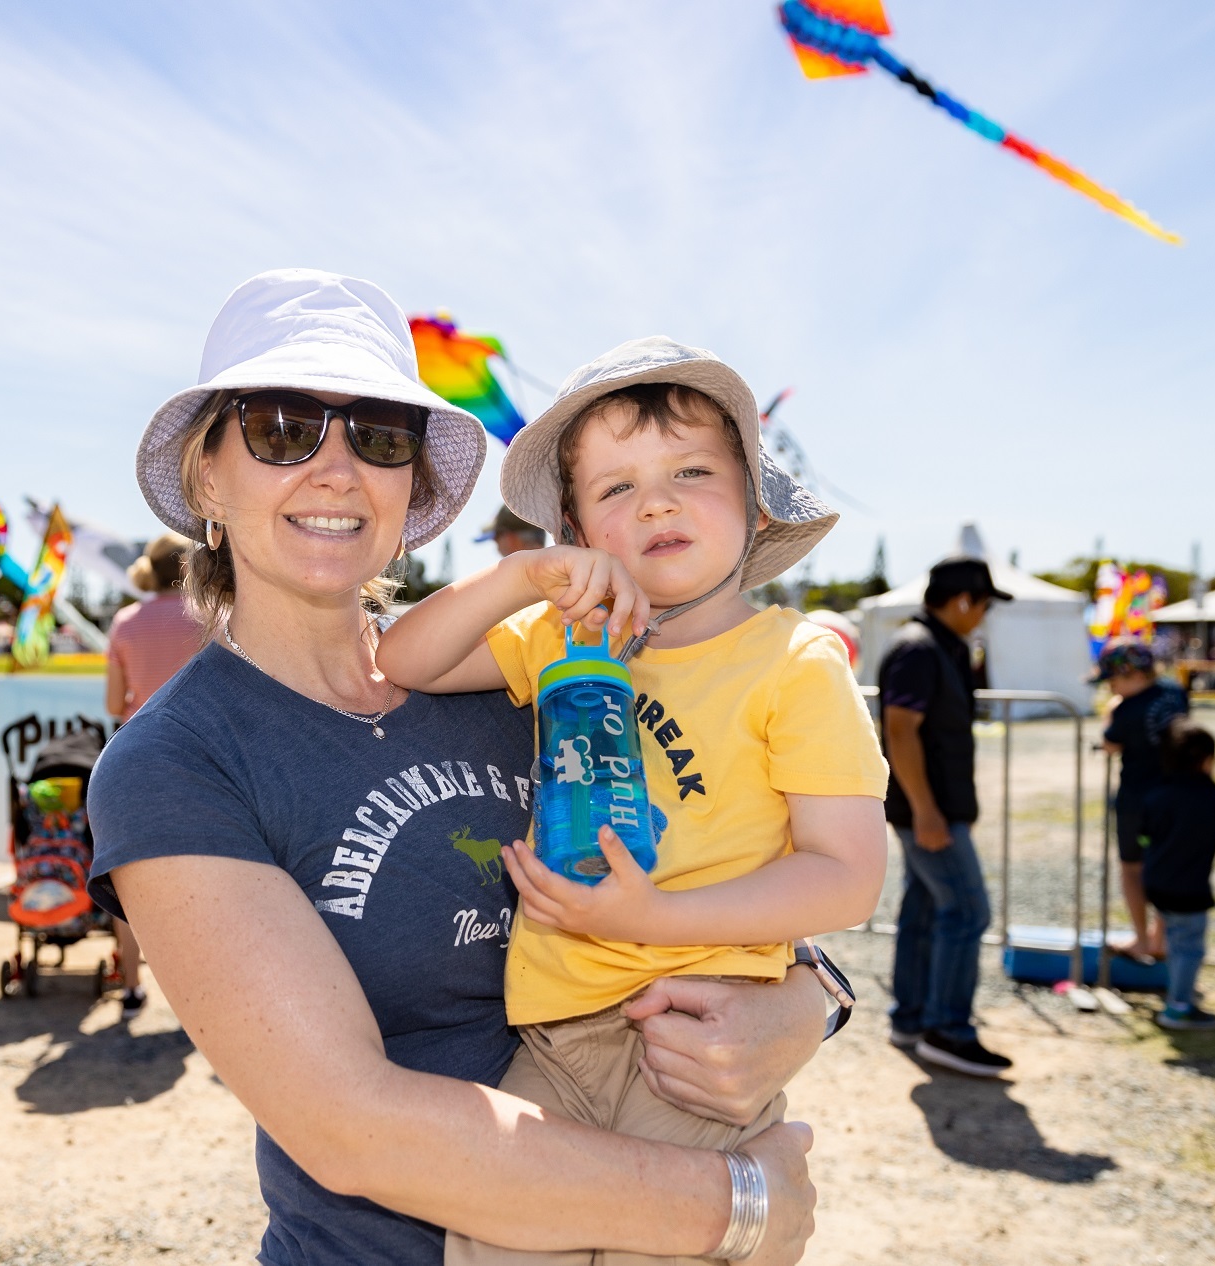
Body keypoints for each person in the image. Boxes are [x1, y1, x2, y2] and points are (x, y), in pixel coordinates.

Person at [86, 270, 829, 1266]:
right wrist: (730, 1204)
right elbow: (351, 1126)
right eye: (280, 428)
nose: (336, 469)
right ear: (209, 478)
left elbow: (725, 845)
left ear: (411, 486)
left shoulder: (519, 671)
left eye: (379, 437)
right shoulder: (178, 761)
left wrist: (807, 1000)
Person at [377, 340, 889, 1266]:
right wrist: (518, 578)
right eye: (615, 489)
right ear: (574, 527)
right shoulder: (557, 633)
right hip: (551, 1041)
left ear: (755, 500)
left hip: (699, 1038)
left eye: (691, 472)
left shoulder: (795, 661)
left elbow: (847, 878)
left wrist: (658, 916)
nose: (655, 501)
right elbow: (401, 661)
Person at [880, 556, 1014, 1077]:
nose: (983, 616)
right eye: (982, 605)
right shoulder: (921, 648)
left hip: (928, 806)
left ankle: (913, 1018)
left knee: (926, 910)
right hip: (927, 810)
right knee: (966, 912)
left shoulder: (934, 645)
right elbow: (901, 730)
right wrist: (928, 811)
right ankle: (947, 1029)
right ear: (962, 601)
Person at [101, 530, 206, 1017]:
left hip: (138, 760)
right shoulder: (209, 618)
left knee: (131, 882)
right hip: (202, 760)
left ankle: (131, 987)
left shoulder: (125, 622)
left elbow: (112, 703)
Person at [1140, 719, 1215, 1032]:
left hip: (1157, 884)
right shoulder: (1211, 801)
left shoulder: (1156, 794)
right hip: (1190, 890)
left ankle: (1176, 996)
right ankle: (1178, 1007)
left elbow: (1144, 834)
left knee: (1176, 941)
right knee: (1189, 948)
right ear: (1207, 761)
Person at [1097, 640, 1191, 961]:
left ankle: (1141, 938)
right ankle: (1159, 937)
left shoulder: (1126, 709)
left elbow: (1109, 744)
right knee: (1165, 866)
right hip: (1175, 795)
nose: (1111, 687)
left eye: (1113, 680)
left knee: (1131, 868)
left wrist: (1110, 712)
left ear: (1133, 675)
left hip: (1137, 798)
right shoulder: (1175, 692)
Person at [476, 504, 548, 557]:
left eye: (496, 540)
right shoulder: (556, 570)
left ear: (510, 538)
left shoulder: (513, 575)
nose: (498, 550)